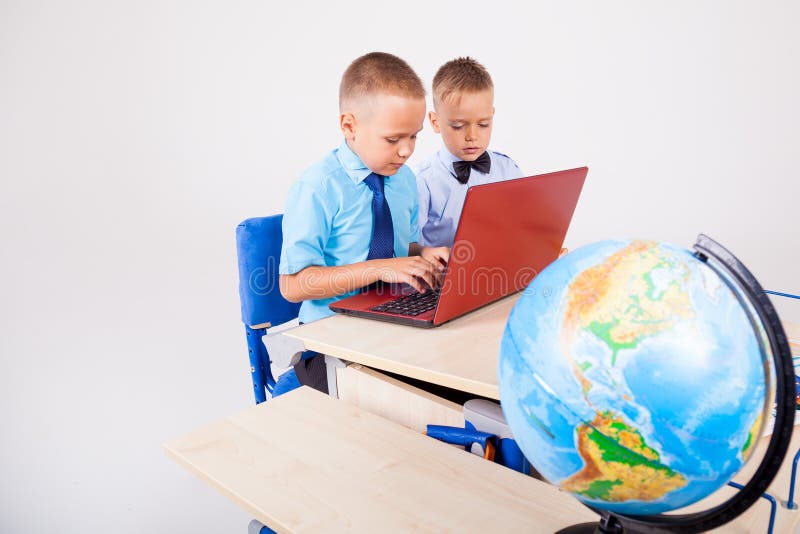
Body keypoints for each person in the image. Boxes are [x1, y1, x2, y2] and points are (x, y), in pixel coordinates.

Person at [279, 52, 449, 392]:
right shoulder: (318, 188)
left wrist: (425, 255)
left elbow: (404, 247)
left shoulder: (403, 181)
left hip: (392, 324)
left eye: (414, 136)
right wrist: (379, 268)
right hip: (330, 341)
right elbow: (292, 286)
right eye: (393, 139)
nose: (406, 151)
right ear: (349, 126)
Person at [416, 57, 523, 248]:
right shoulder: (424, 181)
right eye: (458, 126)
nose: (472, 136)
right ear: (435, 122)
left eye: (483, 124)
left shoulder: (508, 170)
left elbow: (525, 223)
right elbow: (409, 246)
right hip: (445, 275)